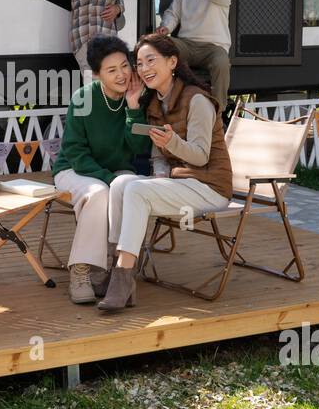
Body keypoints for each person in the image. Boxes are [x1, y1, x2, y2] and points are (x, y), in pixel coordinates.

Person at [100, 33, 233, 312]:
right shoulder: (154, 103)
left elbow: (200, 155)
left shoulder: (197, 100)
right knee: (121, 183)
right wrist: (160, 177)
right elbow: (159, 155)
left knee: (136, 189)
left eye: (151, 60)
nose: (144, 68)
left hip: (209, 187)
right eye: (139, 63)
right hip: (180, 184)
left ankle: (124, 277)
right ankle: (116, 268)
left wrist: (172, 142)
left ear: (172, 62)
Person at [51, 36, 153, 304]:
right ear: (97, 75)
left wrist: (133, 109)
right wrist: (108, 179)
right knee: (99, 193)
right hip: (74, 171)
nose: (121, 74)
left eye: (124, 66)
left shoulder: (139, 97)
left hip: (117, 171)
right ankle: (81, 271)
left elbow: (139, 146)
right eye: (111, 70)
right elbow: (75, 152)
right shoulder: (84, 98)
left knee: (130, 189)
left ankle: (118, 270)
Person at [158, 0, 232, 111]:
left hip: (213, 47)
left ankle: (219, 111)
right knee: (160, 45)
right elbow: (172, 13)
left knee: (221, 62)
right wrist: (166, 28)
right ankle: (165, 103)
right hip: (186, 44)